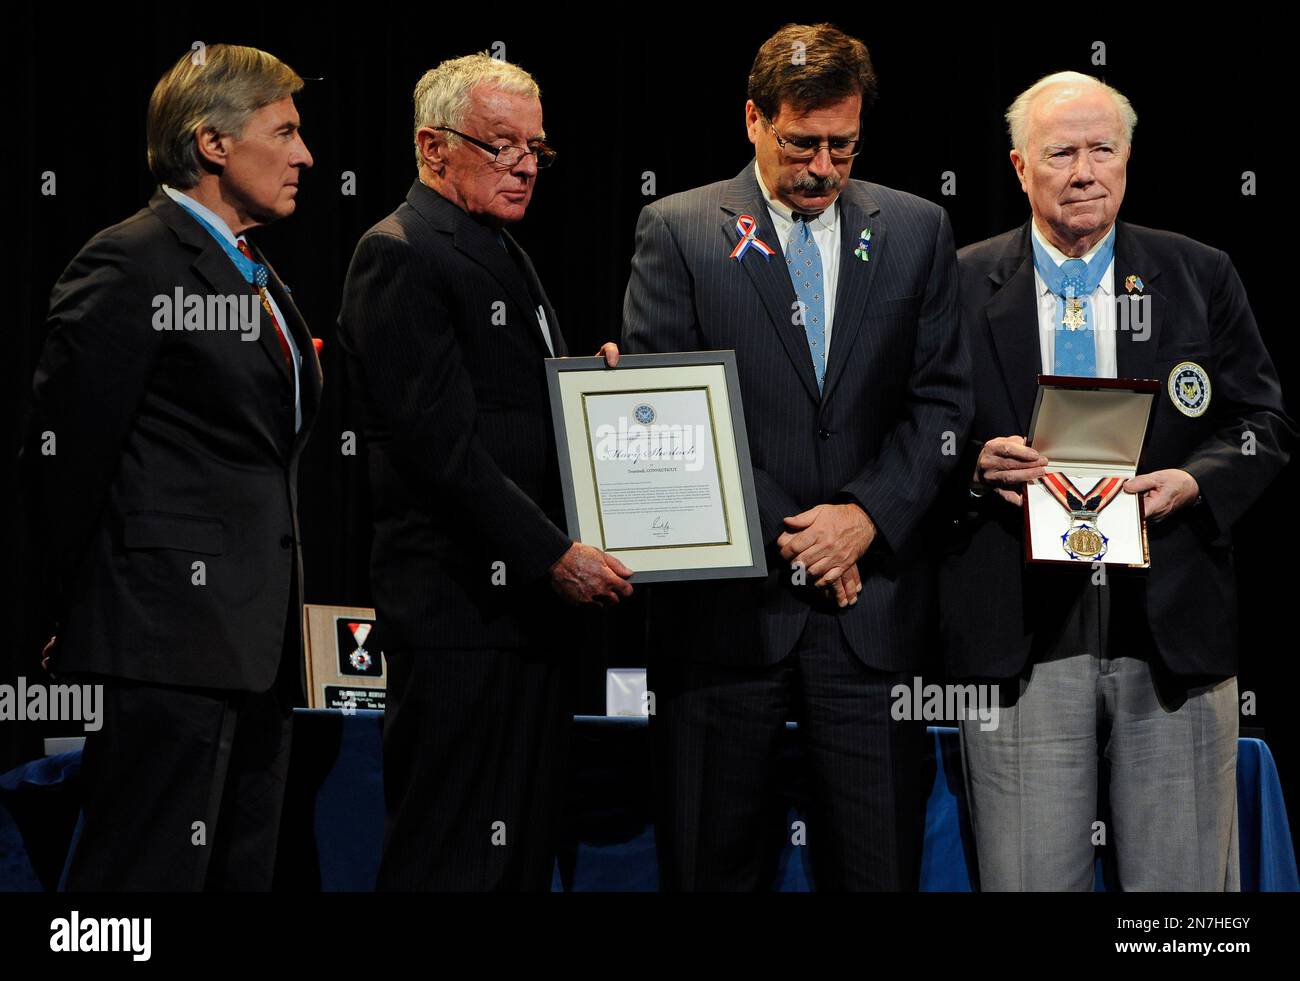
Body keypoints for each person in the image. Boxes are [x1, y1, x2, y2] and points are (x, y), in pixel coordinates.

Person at [621, 23, 970, 890]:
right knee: (710, 867)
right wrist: (807, 536)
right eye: (800, 144)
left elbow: (942, 404)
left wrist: (864, 519)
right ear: (752, 119)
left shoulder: (918, 230)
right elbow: (671, 414)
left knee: (877, 870)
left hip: (871, 627)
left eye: (842, 148)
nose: (821, 168)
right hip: (727, 627)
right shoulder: (679, 228)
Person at [940, 71, 1294, 890]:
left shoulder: (1199, 274)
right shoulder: (955, 283)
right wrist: (972, 465)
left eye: (1103, 149)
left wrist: (1196, 482)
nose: (1084, 170)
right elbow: (916, 433)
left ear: (1128, 159)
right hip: (1019, 633)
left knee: (1179, 916)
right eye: (1060, 152)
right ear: (1020, 167)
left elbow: (1263, 422)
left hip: (1167, 626)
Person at [24, 44, 320, 890]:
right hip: (161, 646)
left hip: (253, 647)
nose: (306, 155)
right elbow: (61, 458)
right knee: (138, 885)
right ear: (213, 145)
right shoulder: (131, 261)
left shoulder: (256, 270)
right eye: (286, 132)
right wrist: (64, 608)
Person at [338, 53, 630, 891]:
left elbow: (501, 407)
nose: (527, 165)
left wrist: (589, 392)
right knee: (449, 857)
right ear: (434, 148)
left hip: (519, 621)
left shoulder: (495, 245)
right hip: (458, 616)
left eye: (536, 148)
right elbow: (442, 450)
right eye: (503, 146)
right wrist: (555, 554)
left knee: (514, 858)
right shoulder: (398, 252)